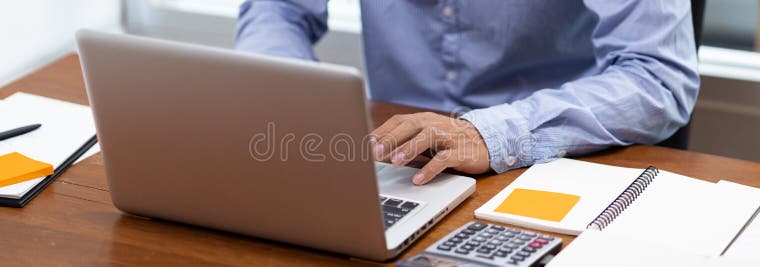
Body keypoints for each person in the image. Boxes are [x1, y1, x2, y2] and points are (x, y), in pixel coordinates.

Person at [235, 1, 699, 185]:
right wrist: (286, 97)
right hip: (392, 158)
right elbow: (279, 9)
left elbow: (658, 76)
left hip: (548, 160)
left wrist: (488, 133)